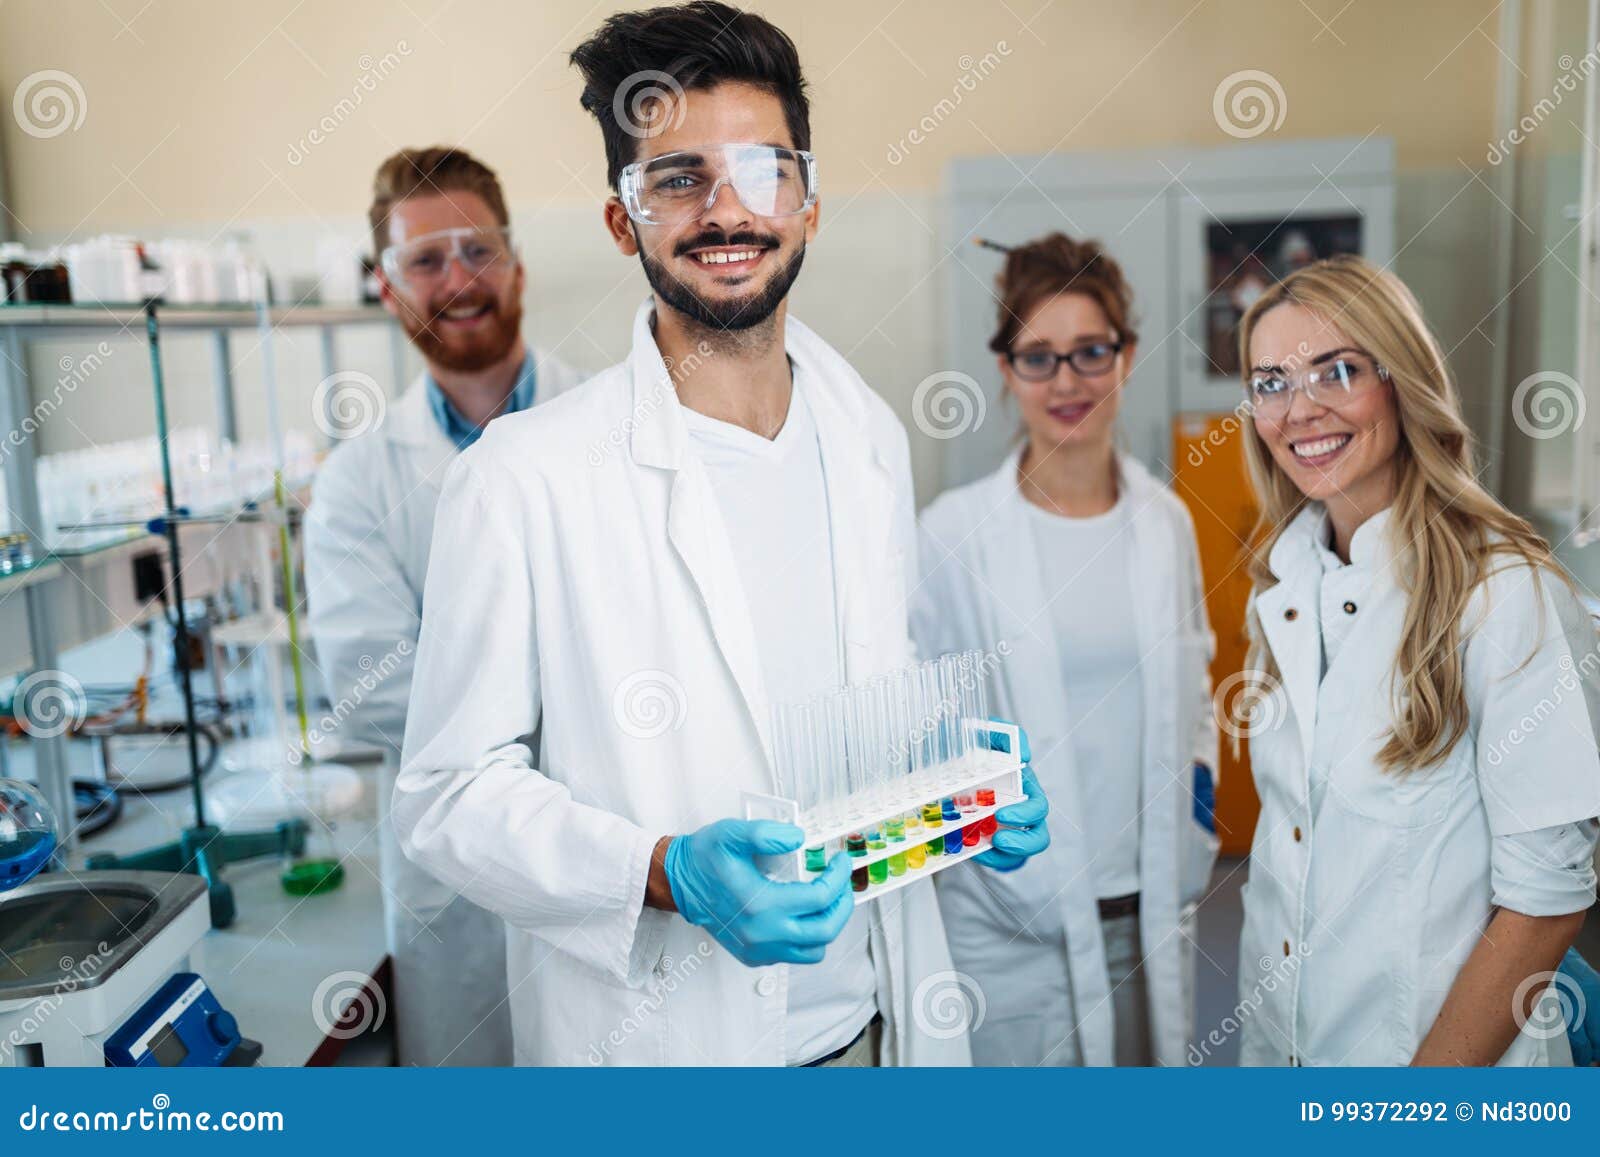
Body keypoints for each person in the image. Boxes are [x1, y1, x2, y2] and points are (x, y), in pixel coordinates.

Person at [392, 1, 1049, 1067]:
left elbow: (862, 691)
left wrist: (958, 782)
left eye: (762, 169)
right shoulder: (520, 481)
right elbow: (446, 795)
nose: (727, 209)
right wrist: (662, 869)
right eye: (678, 177)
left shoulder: (868, 435)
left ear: (810, 201)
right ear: (624, 221)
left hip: (880, 1031)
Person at [1234, 254, 1599, 1065]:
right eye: (1271, 381)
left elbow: (1545, 902)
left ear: (1401, 381)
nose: (1302, 409)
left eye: (1337, 370)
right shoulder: (1286, 583)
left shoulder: (1507, 595)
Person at [303, 146, 584, 1066]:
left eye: (478, 249)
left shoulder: (620, 428)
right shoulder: (357, 483)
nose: (458, 279)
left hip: (612, 852)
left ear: (517, 265)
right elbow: (372, 687)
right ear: (388, 289)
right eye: (425, 259)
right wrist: (584, 691)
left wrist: (493, 699)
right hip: (454, 894)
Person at [912, 234, 1219, 1066]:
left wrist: (1196, 814)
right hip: (1008, 921)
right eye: (1038, 357)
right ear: (1006, 370)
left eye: (1090, 351)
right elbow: (921, 731)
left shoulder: (1166, 522)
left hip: (1150, 901)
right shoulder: (952, 535)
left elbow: (1198, 693)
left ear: (1126, 354)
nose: (1067, 381)